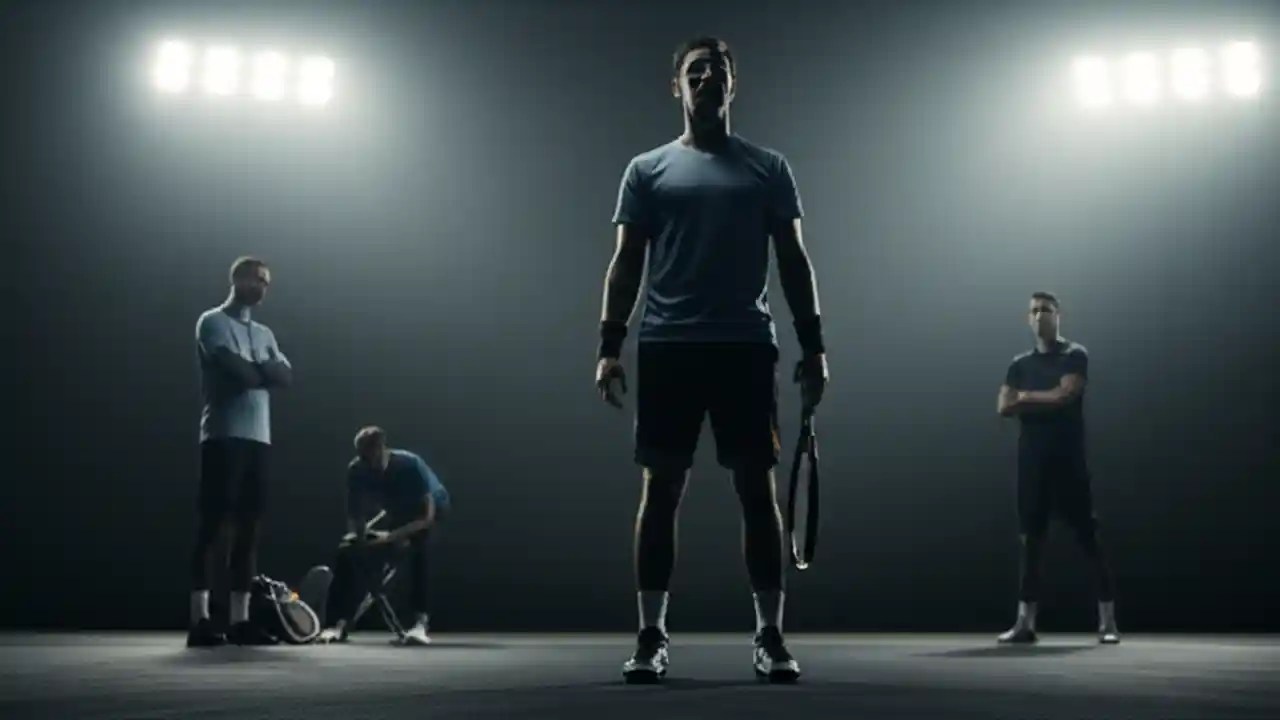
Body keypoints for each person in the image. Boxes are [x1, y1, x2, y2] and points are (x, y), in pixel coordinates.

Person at [595, 36, 828, 683]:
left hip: (745, 348)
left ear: (733, 85)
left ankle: (771, 638)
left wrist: (815, 347)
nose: (705, 79)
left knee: (758, 490)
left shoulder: (768, 168)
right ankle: (650, 638)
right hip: (668, 346)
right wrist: (609, 346)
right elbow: (626, 264)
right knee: (660, 490)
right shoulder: (646, 170)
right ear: (678, 86)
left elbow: (794, 261)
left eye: (716, 71)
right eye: (694, 71)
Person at [996, 291, 1120, 645]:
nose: (1039, 317)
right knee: (1029, 542)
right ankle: (1025, 624)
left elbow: (1066, 395)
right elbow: (1003, 405)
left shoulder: (1074, 354)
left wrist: (1025, 398)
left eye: (1045, 311)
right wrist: (1039, 398)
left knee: (1088, 538)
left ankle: (1108, 622)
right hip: (1031, 464)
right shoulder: (1019, 363)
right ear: (1027, 319)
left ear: (1058, 315)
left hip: (1068, 463)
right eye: (1033, 311)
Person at [187, 256, 293, 647]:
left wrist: (261, 370)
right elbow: (245, 374)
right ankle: (200, 621)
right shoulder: (212, 322)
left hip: (258, 440)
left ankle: (240, 621)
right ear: (237, 278)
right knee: (213, 529)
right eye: (256, 279)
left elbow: (287, 377)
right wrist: (262, 369)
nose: (261, 287)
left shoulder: (265, 333)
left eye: (266, 282)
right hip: (222, 437)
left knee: (249, 531)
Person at [316, 426, 450, 646]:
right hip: (396, 511)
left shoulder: (408, 465)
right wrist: (359, 541)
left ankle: (420, 623)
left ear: (383, 448)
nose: (370, 464)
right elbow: (355, 517)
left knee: (419, 549)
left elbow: (426, 517)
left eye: (374, 457)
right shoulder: (357, 469)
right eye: (364, 458)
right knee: (346, 551)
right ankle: (335, 624)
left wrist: (389, 538)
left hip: (431, 509)